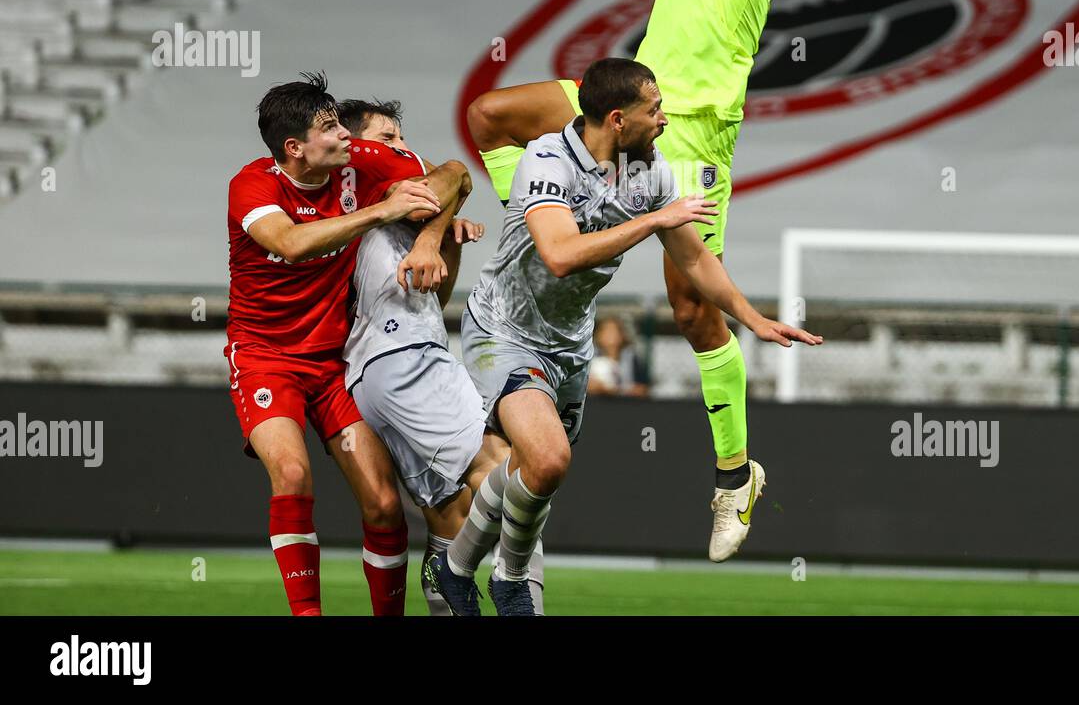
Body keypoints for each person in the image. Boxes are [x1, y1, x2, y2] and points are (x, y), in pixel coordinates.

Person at [467, 0, 786, 560]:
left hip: (695, 132)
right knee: (490, 116)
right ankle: (539, 210)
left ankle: (734, 476)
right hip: (629, 101)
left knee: (691, 311)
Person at [430, 58, 821, 616]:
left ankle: (457, 565)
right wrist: (653, 222)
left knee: (536, 474)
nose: (665, 120)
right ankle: (512, 580)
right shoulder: (547, 159)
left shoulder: (652, 171)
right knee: (547, 459)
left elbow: (694, 258)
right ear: (617, 119)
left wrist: (751, 317)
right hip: (504, 328)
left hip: (569, 341)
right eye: (654, 110)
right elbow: (561, 256)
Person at [224, 71, 466, 616]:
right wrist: (382, 210)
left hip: (334, 362)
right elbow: (288, 243)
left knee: (383, 503)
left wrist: (430, 234)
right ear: (295, 148)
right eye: (330, 128)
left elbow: (453, 174)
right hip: (266, 358)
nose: (344, 137)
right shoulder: (253, 184)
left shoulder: (358, 158)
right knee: (291, 473)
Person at [335, 97, 546, 615]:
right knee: (520, 467)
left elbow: (432, 294)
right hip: (403, 354)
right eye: (388, 138)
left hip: (377, 365)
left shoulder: (373, 212)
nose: (402, 149)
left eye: (401, 138)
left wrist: (442, 240)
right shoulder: (369, 178)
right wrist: (434, 233)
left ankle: (448, 578)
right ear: (357, 145)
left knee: (451, 515)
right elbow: (456, 172)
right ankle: (520, 598)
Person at [587, 316, 649, 397]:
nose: (610, 336)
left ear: (621, 335)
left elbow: (642, 388)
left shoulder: (632, 358)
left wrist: (616, 390)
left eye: (614, 331)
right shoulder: (590, 357)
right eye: (606, 331)